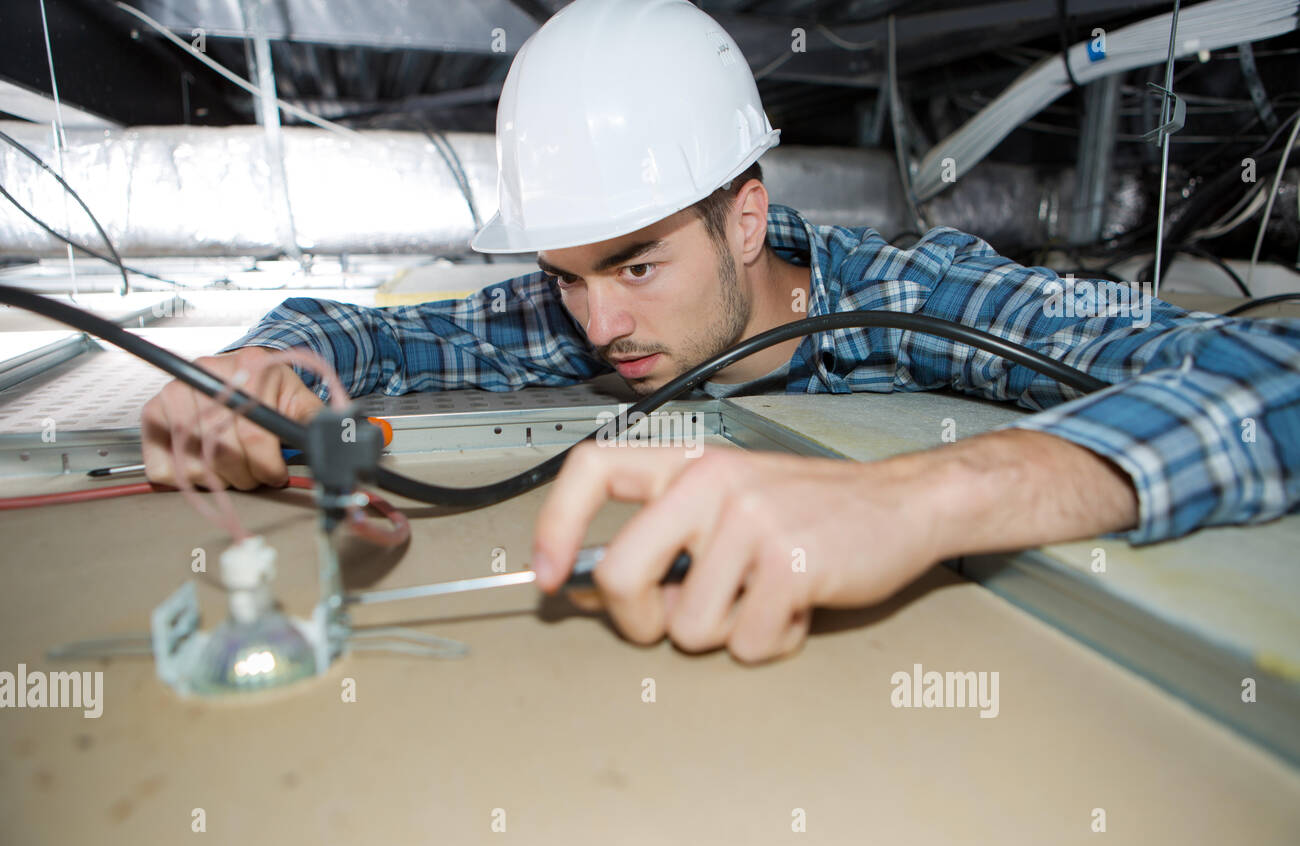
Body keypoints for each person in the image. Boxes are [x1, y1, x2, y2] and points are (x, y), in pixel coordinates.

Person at [141, 0, 1300, 662]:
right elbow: (365, 332)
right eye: (566, 276)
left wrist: (919, 495)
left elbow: (1275, 374)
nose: (599, 326)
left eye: (636, 264)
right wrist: (266, 372)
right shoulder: (586, 314)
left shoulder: (921, 295)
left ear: (745, 217)